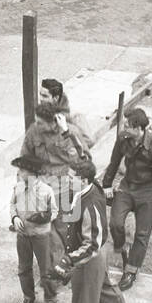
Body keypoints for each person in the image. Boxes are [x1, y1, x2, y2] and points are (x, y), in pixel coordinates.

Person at [52, 159, 137, 303]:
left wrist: (67, 260)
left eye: (71, 178)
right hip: (94, 259)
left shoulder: (89, 205)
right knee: (105, 290)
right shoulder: (87, 191)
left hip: (89, 260)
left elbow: (92, 245)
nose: (68, 180)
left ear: (83, 180)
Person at [101, 107, 152, 291]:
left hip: (148, 191)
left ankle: (130, 271)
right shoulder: (123, 139)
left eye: (127, 126)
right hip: (127, 186)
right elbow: (114, 162)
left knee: (142, 234)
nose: (124, 128)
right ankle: (121, 247)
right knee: (115, 223)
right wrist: (107, 184)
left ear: (138, 128)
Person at [20, 100, 92, 239]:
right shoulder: (34, 131)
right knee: (38, 231)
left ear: (53, 122)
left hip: (64, 188)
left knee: (63, 230)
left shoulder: (70, 132)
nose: (37, 125)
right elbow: (24, 159)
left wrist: (66, 134)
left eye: (40, 123)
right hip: (40, 188)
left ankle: (64, 258)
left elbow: (84, 161)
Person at [9, 154, 60, 303]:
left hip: (41, 236)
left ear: (31, 173)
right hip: (23, 235)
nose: (19, 172)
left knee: (46, 269)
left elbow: (54, 212)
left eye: (22, 170)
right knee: (24, 268)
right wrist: (14, 218)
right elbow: (12, 205)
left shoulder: (46, 191)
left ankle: (51, 299)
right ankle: (28, 297)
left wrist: (43, 218)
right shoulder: (17, 188)